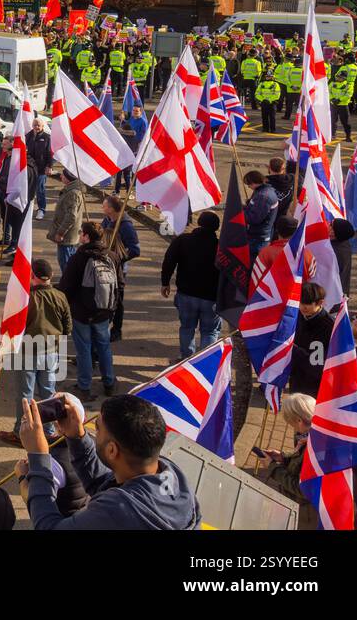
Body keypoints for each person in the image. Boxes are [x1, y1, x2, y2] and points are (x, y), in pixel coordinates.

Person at [17, 394, 200, 529]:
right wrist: (76, 436)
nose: (93, 433)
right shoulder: (171, 473)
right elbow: (103, 483)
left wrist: (38, 457)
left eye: (97, 428)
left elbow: (49, 527)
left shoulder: (118, 509)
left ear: (112, 450)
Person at [0, 258, 71, 446]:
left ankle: (21, 432)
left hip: (27, 353)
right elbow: (67, 326)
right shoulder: (60, 296)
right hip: (51, 351)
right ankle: (49, 431)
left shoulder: (26, 299)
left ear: (32, 276)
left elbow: (14, 326)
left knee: (25, 395)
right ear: (51, 276)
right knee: (48, 393)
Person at [60, 222, 118, 402]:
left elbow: (67, 285)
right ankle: (109, 382)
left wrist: (64, 306)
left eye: (81, 233)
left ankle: (84, 386)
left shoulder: (79, 257)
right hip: (104, 311)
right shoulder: (111, 256)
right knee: (104, 346)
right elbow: (120, 285)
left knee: (83, 349)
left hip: (82, 313)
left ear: (86, 236)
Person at [160, 211, 221, 359]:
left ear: (199, 222)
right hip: (211, 297)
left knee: (187, 328)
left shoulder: (183, 240)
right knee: (210, 331)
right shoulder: (221, 246)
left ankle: (186, 359)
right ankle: (205, 362)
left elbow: (169, 261)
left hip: (186, 294)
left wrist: (165, 282)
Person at [259, 392, 317, 529]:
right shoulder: (312, 438)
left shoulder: (312, 449)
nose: (292, 427)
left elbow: (301, 489)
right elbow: (299, 464)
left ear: (299, 421)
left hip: (303, 515)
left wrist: (273, 467)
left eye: (290, 422)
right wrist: (283, 457)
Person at [99, 195, 140, 343]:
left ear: (111, 209)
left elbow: (135, 249)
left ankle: (117, 329)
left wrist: (118, 259)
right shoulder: (107, 220)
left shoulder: (126, 226)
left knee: (117, 300)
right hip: (103, 266)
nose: (102, 208)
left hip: (118, 270)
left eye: (104, 206)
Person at [290, 282, 334, 398]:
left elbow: (317, 362)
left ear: (320, 302)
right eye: (300, 303)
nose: (302, 307)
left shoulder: (329, 326)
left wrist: (294, 350)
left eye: (307, 304)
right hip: (296, 376)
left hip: (315, 383)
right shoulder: (297, 316)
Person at [48, 169, 84, 272]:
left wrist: (60, 233)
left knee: (65, 262)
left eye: (63, 175)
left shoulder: (72, 193)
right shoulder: (71, 190)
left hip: (67, 236)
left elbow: (71, 216)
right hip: (68, 235)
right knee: (66, 261)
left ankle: (67, 284)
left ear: (69, 178)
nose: (61, 177)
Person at [243, 169, 279, 259]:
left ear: (254, 182)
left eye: (248, 184)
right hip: (262, 234)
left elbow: (254, 219)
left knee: (253, 262)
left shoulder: (263, 196)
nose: (248, 187)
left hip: (258, 238)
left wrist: (240, 211)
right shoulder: (265, 190)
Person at [26, 117, 52, 220]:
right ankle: (28, 208)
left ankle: (41, 209)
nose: (36, 127)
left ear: (42, 126)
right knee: (29, 188)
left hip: (41, 169)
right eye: (34, 125)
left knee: (40, 189)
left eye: (38, 125)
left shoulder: (47, 137)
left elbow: (50, 153)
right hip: (29, 168)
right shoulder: (28, 136)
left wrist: (49, 166)